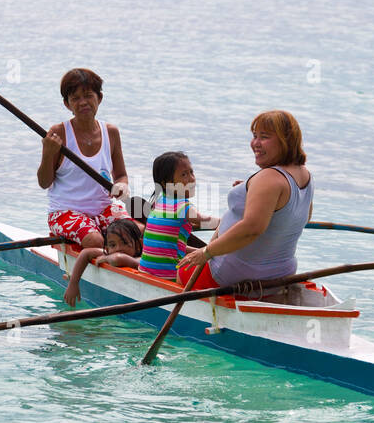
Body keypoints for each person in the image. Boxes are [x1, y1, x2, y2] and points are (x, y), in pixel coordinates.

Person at [177, 110, 313, 293]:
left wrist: (206, 252)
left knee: (180, 270)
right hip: (279, 276)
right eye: (255, 136)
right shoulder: (305, 175)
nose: (255, 143)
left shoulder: (269, 178)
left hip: (232, 275)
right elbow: (299, 217)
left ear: (286, 140)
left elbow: (251, 229)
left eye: (264, 137)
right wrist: (255, 192)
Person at [38, 67, 132, 249]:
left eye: (88, 95)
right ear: (67, 104)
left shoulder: (111, 132)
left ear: (100, 98)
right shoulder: (58, 133)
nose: (83, 103)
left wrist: (122, 185)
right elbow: (44, 182)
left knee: (133, 232)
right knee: (95, 240)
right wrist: (48, 153)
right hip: (64, 212)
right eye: (75, 98)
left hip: (104, 208)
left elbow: (121, 175)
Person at [138, 151, 219, 280]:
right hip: (170, 276)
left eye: (191, 172)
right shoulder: (183, 206)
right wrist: (227, 221)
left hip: (145, 271)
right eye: (184, 175)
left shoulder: (159, 202)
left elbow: (172, 244)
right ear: (166, 184)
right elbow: (204, 221)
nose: (191, 179)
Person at [63, 218, 144, 306]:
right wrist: (73, 283)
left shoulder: (143, 258)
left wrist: (106, 258)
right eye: (113, 245)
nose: (118, 248)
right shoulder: (109, 252)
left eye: (125, 243)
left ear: (138, 244)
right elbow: (85, 253)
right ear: (107, 248)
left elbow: (117, 259)